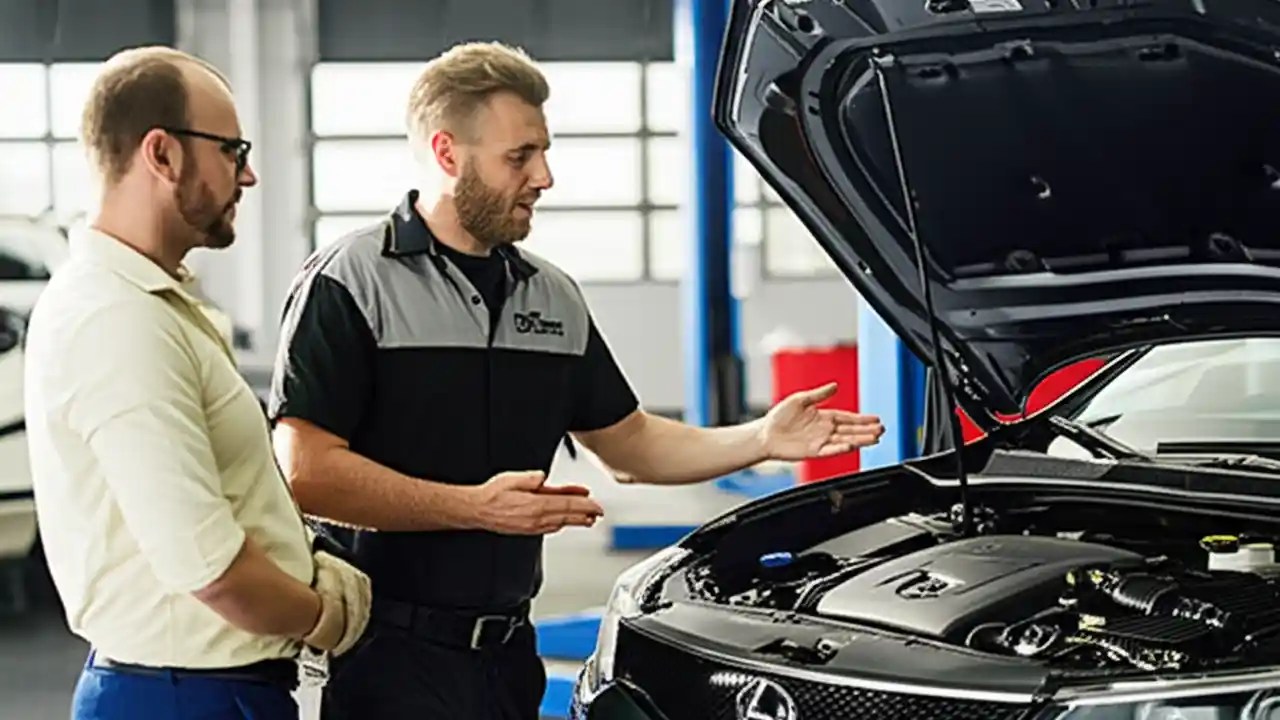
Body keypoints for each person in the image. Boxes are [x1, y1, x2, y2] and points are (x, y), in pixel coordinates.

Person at [267, 41, 885, 720]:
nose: (544, 177)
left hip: (506, 658)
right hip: (385, 660)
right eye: (520, 156)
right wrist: (474, 508)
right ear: (447, 154)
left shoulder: (552, 297)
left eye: (544, 151)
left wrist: (761, 439)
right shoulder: (352, 282)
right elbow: (307, 473)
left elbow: (631, 446)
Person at [22, 46, 371, 720]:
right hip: (181, 697)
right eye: (232, 151)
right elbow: (208, 567)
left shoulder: (146, 303)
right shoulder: (117, 320)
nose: (249, 175)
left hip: (200, 688)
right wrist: (329, 617)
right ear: (163, 154)